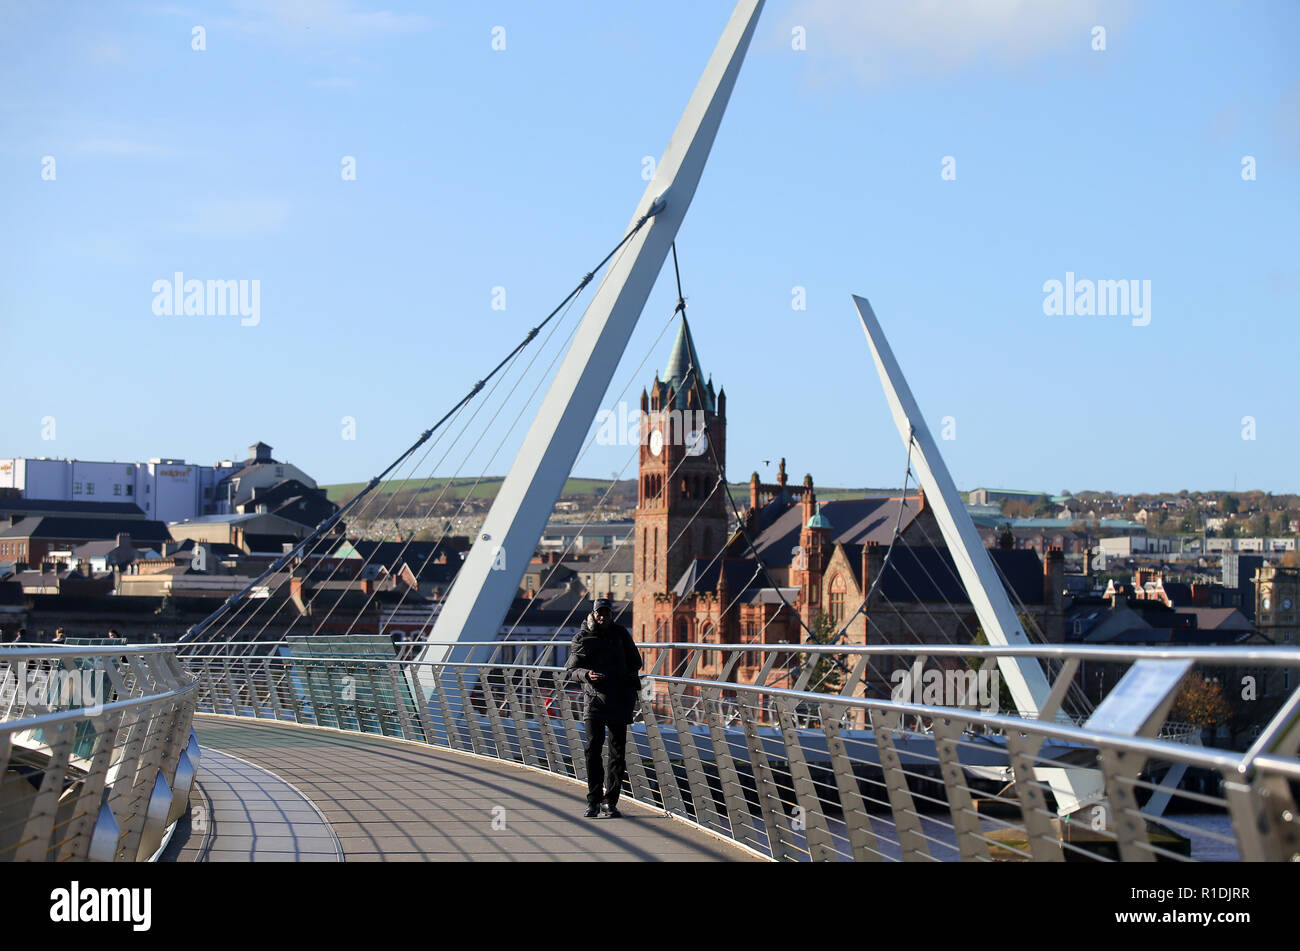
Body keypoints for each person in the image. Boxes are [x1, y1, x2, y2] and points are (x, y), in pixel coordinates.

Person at [564, 597, 642, 818]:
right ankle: (593, 801)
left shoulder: (621, 635)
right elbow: (571, 670)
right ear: (594, 614)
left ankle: (611, 802)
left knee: (618, 754)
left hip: (619, 698)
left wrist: (622, 675)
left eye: (606, 613)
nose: (603, 616)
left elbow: (636, 661)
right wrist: (587, 675)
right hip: (594, 699)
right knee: (592, 751)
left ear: (611, 615)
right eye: (600, 613)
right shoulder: (582, 637)